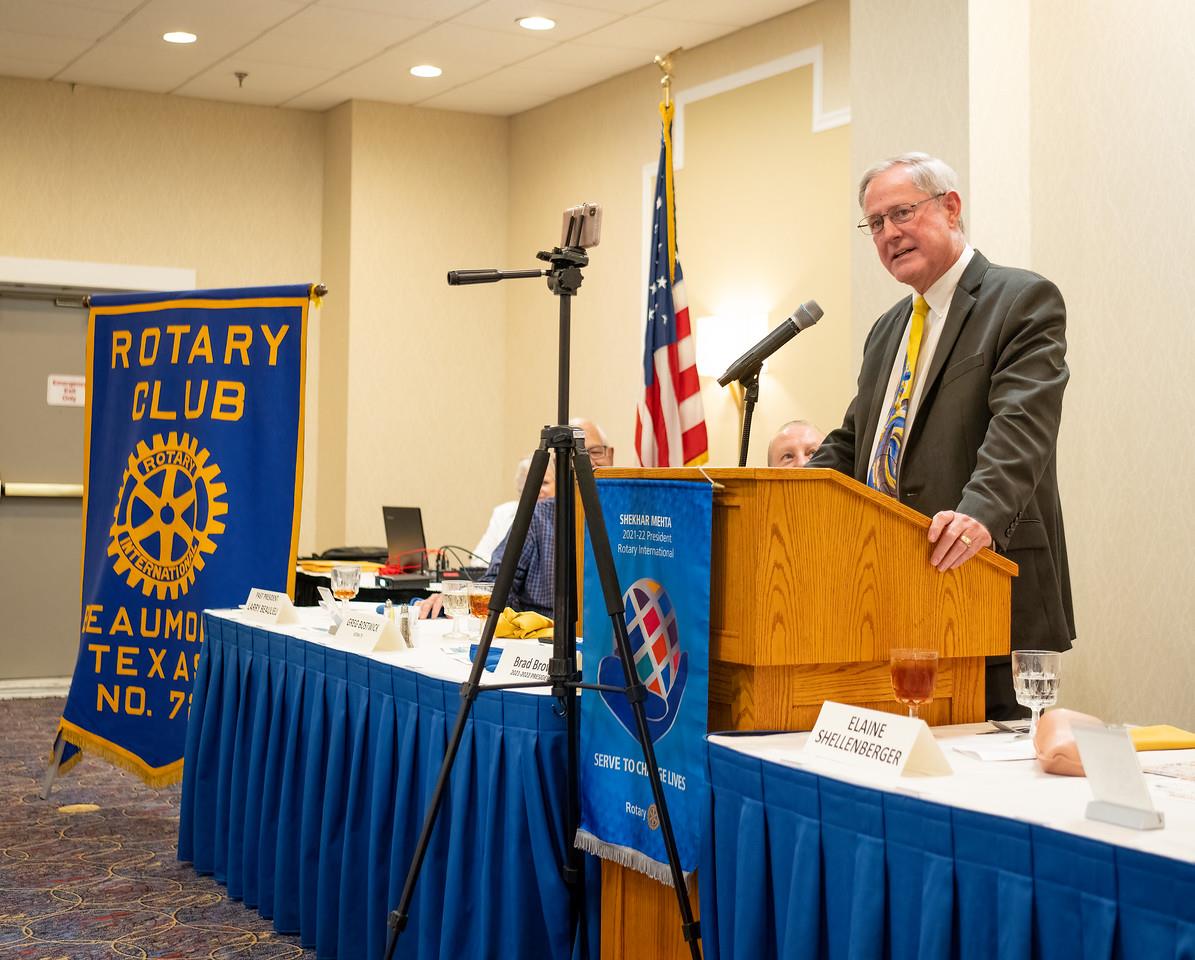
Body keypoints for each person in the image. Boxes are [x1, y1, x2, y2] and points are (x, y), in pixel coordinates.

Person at [807, 152, 1074, 719]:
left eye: (901, 213)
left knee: (985, 790)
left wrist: (978, 512)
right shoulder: (888, 331)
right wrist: (787, 491)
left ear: (950, 208)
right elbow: (859, 441)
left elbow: (1021, 427)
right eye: (875, 224)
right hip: (888, 600)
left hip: (983, 588)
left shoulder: (1020, 300)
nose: (888, 234)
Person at [421, 419, 613, 619]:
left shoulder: (630, 516)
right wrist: (460, 598)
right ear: (559, 465)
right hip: (545, 638)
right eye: (575, 454)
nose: (587, 461)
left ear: (611, 455)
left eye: (596, 452)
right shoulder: (538, 517)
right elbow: (499, 583)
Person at [472, 456, 554, 564]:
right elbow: (478, 559)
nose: (537, 489)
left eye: (544, 483)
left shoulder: (567, 518)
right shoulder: (503, 513)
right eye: (531, 483)